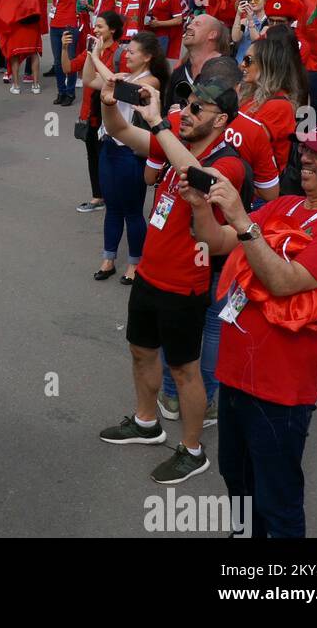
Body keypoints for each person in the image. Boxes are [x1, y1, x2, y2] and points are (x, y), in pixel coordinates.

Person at [182, 114, 317, 537]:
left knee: (278, 500)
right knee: (238, 482)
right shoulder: (285, 204)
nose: (306, 157)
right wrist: (201, 208)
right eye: (306, 149)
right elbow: (215, 242)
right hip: (234, 375)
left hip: (281, 390)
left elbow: (282, 281)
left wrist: (243, 220)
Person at [97, 74, 248, 485]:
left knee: (183, 370)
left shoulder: (227, 161)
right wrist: (111, 103)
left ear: (221, 122)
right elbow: (122, 131)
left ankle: (192, 450)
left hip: (185, 286)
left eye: (198, 108)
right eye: (186, 103)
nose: (187, 112)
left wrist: (161, 123)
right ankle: (146, 422)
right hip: (149, 275)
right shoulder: (173, 147)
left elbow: (198, 176)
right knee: (141, 352)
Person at [149, 56, 281, 427]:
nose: (191, 109)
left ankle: (177, 397)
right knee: (211, 322)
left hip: (202, 241)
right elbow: (271, 195)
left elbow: (155, 166)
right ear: (238, 89)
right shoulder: (254, 129)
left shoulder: (178, 122)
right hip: (227, 240)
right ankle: (203, 400)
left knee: (191, 319)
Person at [83, 31, 170, 284]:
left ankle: (134, 263)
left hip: (132, 152)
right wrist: (91, 55)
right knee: (112, 208)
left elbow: (115, 85)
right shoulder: (125, 76)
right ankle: (108, 259)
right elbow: (90, 79)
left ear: (147, 56)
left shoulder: (151, 81)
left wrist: (97, 56)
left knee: (132, 211)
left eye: (132, 51)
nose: (126, 55)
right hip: (109, 146)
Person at [62, 10, 125, 213]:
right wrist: (64, 48)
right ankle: (98, 197)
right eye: (95, 26)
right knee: (93, 156)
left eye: (100, 26)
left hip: (110, 114)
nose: (95, 29)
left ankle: (114, 196)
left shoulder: (119, 54)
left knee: (111, 157)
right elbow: (68, 68)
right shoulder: (91, 50)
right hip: (90, 113)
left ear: (112, 30)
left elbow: (116, 83)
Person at [239, 37, 299, 172]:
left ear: (267, 64)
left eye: (248, 60)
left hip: (259, 184)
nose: (242, 65)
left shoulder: (280, 106)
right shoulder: (249, 97)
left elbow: (248, 145)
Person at [164, 14, 228, 111]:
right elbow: (167, 111)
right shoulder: (179, 72)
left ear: (212, 35)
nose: (188, 26)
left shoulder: (227, 71)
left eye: (197, 24)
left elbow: (226, 114)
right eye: (190, 23)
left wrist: (186, 110)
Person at [48, 0, 81, 106]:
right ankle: (61, 91)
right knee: (57, 62)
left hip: (68, 26)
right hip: (55, 26)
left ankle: (70, 93)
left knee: (70, 60)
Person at [146, 0, 185, 67]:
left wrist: (159, 23)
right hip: (147, 33)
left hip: (161, 36)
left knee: (156, 66)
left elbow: (179, 20)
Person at [231, 0, 267, 64]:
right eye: (250, 0)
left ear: (265, 1)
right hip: (240, 62)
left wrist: (251, 19)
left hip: (257, 63)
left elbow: (257, 42)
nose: (253, 2)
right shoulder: (244, 21)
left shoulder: (268, 21)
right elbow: (235, 38)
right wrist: (238, 14)